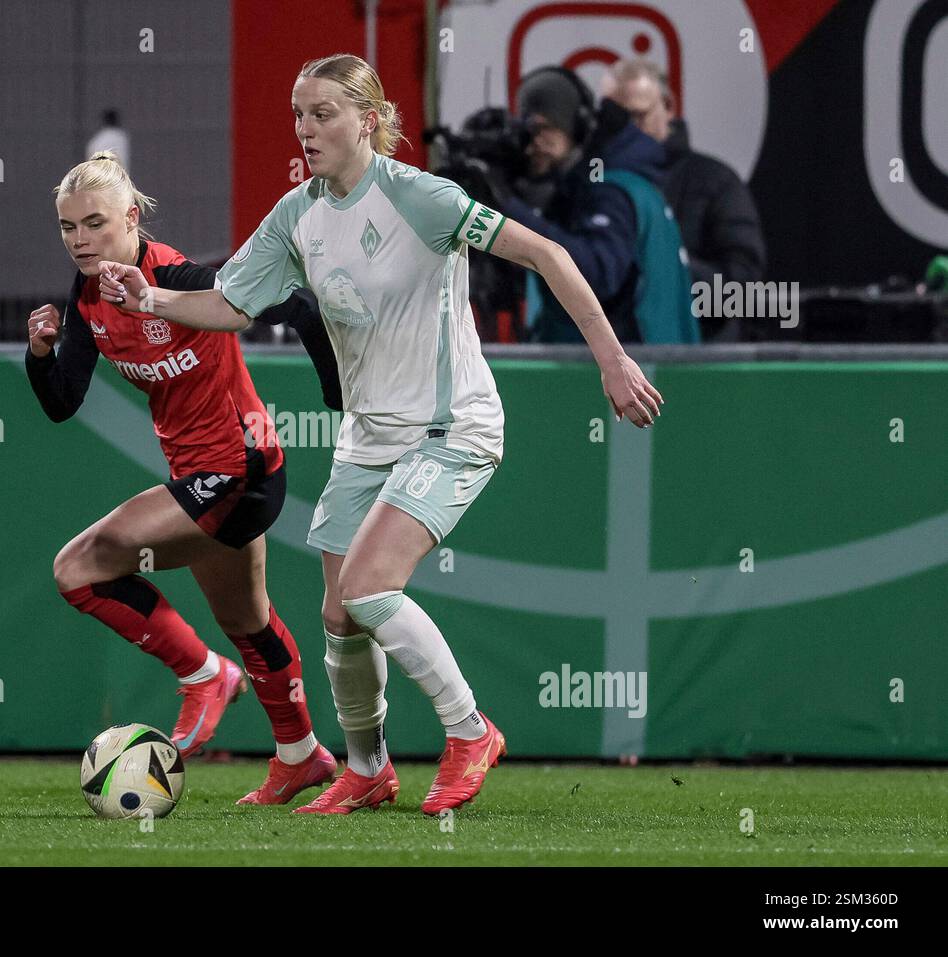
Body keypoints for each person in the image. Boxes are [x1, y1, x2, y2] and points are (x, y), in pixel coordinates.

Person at [97, 54, 664, 815]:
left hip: (451, 425)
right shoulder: (297, 213)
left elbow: (548, 254)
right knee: (337, 613)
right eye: (299, 114)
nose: (306, 129)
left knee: (369, 588)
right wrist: (150, 295)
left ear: (368, 120)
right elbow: (232, 305)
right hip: (368, 439)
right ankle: (368, 768)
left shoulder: (421, 197)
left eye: (323, 113)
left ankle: (471, 730)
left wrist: (613, 360)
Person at [26, 151, 341, 805]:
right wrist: (38, 354)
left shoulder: (186, 277)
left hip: (241, 471)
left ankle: (202, 675)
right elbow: (62, 403)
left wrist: (341, 398)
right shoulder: (87, 299)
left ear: (132, 218)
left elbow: (303, 309)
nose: (80, 240)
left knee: (76, 568)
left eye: (95, 223)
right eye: (67, 227)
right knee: (250, 622)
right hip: (201, 479)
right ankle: (301, 755)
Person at [504, 65, 698, 344]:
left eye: (545, 128)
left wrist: (508, 211)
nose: (534, 143)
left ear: (577, 127)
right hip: (637, 370)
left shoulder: (612, 190)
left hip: (635, 372)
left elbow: (597, 275)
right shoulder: (595, 186)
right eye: (529, 130)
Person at [602, 58, 766, 341]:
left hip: (700, 365)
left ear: (667, 106)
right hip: (605, 363)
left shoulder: (716, 182)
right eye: (615, 122)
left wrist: (665, 263)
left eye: (637, 117)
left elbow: (745, 291)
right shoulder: (591, 184)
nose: (626, 133)